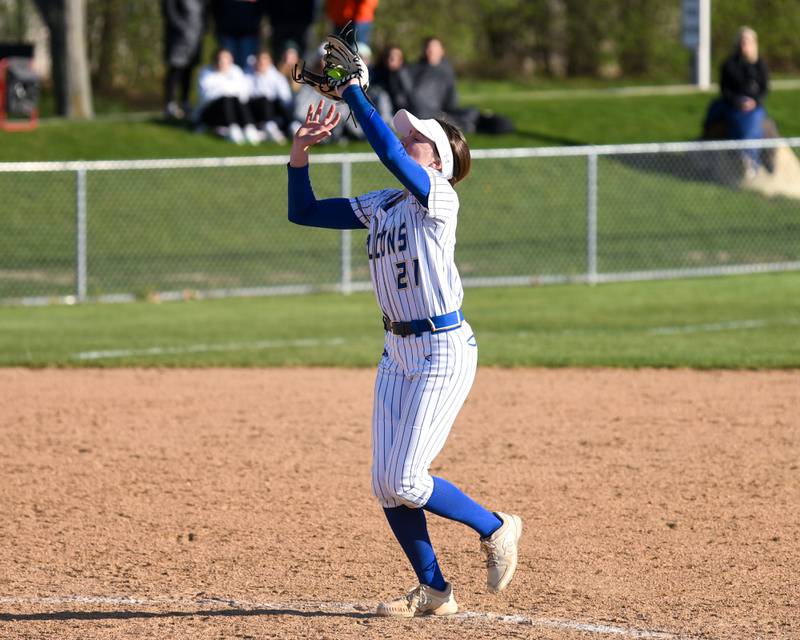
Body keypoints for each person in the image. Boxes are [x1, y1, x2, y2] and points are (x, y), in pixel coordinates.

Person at [286, 77, 523, 616]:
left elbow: (391, 154)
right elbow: (305, 212)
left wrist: (352, 94)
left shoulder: (440, 197)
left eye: (418, 137)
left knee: (409, 477)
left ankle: (496, 527)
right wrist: (299, 154)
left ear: (435, 160)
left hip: (442, 348)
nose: (406, 139)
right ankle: (436, 591)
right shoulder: (384, 204)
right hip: (397, 352)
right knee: (387, 485)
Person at [703, 27, 770, 171]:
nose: (744, 45)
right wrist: (737, 101)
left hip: (754, 105)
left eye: (747, 42)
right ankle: (738, 157)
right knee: (733, 121)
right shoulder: (729, 64)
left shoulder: (760, 65)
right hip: (733, 104)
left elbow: (764, 90)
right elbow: (724, 89)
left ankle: (752, 161)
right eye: (742, 41)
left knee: (754, 123)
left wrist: (754, 101)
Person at [408, 37, 479, 133]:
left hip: (443, 112)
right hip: (423, 113)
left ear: (442, 51)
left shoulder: (447, 70)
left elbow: (451, 101)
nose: (431, 52)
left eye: (434, 49)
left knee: (472, 112)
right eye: (428, 48)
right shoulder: (415, 70)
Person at [192, 48, 261, 144]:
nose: (221, 62)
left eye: (225, 59)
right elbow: (206, 96)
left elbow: (244, 93)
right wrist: (229, 89)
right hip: (210, 113)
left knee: (234, 99)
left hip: (232, 109)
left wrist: (222, 89)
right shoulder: (205, 72)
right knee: (226, 99)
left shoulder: (236, 71)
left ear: (230, 60)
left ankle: (249, 128)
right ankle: (233, 129)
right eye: (219, 59)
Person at [161, 0, 206, 120]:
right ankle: (170, 103)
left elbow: (204, 15)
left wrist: (201, 31)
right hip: (178, 39)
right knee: (175, 70)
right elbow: (170, 13)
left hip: (195, 41)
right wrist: (182, 29)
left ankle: (185, 102)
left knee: (189, 71)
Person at [247, 51, 294, 143]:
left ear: (269, 62)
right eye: (259, 60)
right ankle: (269, 126)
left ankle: (292, 125)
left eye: (264, 60)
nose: (261, 63)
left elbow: (285, 97)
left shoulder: (277, 77)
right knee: (264, 99)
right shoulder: (247, 76)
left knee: (278, 102)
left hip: (273, 109)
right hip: (256, 110)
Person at [211, 0, 264, 70]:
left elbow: (261, 6)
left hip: (249, 32)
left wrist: (255, 23)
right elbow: (215, 6)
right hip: (226, 32)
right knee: (225, 65)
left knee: (248, 66)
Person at [372, 44, 414, 112]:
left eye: (396, 56)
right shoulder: (378, 74)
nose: (392, 59)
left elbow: (409, 95)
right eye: (390, 56)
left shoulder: (405, 74)